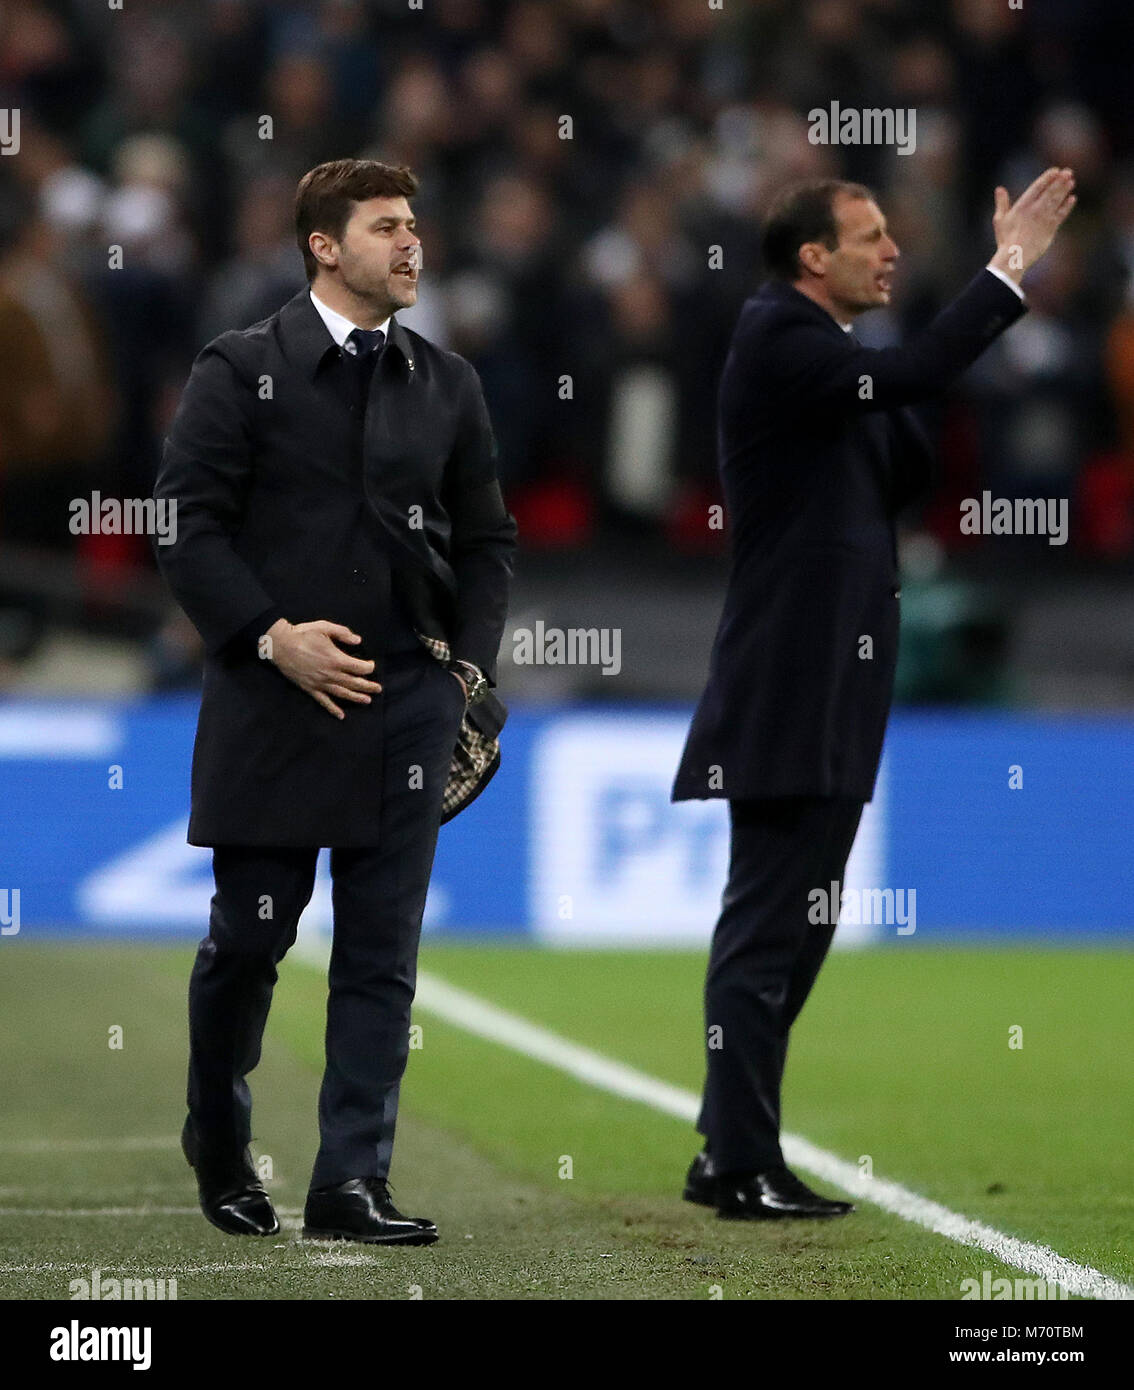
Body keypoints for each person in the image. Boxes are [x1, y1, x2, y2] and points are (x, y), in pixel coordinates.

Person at [672, 169, 1076, 1219]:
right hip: (787, 678)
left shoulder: (838, 363)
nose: (892, 249)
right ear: (814, 257)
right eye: (871, 235)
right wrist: (1012, 262)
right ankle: (743, 1161)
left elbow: (912, 429)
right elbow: (925, 369)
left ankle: (729, 1145)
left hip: (835, 681)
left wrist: (932, 374)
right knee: (768, 923)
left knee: (802, 921)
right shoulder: (778, 337)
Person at [153, 158, 516, 1244]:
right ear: (324, 244)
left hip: (407, 700)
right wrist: (273, 637)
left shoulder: (448, 383)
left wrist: (470, 673)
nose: (412, 244)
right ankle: (218, 1137)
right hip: (274, 704)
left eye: (416, 226)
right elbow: (185, 526)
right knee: (250, 944)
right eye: (385, 227)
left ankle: (349, 1181)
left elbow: (488, 539)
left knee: (381, 953)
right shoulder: (239, 368)